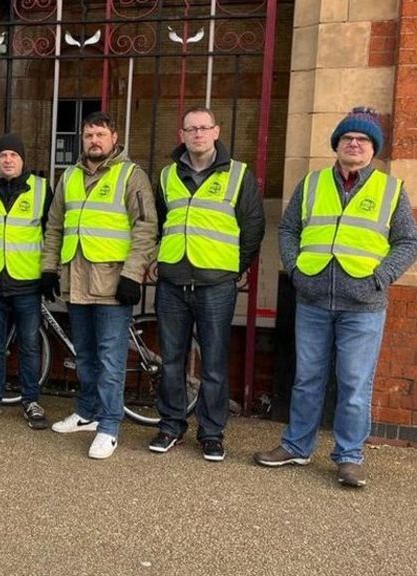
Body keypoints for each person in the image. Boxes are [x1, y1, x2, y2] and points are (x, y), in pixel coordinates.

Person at [254, 107, 417, 488]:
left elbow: (409, 242)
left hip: (363, 305)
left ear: (372, 149)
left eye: (362, 140)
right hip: (312, 298)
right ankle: (296, 445)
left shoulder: (390, 189)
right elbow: (290, 229)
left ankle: (349, 457)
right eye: (348, 139)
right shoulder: (312, 184)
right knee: (307, 379)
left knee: (354, 383)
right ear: (337, 145)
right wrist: (295, 269)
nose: (355, 144)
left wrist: (381, 277)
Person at [148, 107, 265, 462]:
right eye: (190, 129)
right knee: (171, 360)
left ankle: (212, 433)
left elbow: (253, 227)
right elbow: (158, 221)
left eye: (204, 128)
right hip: (172, 281)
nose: (197, 134)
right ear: (181, 135)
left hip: (216, 284)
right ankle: (171, 424)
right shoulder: (168, 175)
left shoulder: (238, 175)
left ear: (216, 131)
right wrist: (159, 257)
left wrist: (234, 268)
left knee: (214, 361)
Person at [42, 112, 158, 459]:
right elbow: (55, 227)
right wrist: (50, 269)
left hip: (112, 282)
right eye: (88, 134)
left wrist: (133, 274)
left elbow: (145, 227)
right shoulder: (70, 177)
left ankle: (109, 426)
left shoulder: (131, 175)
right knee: (86, 355)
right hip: (76, 281)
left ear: (114, 137)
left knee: (110, 358)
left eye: (100, 134)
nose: (94, 140)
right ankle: (87, 412)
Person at [0, 133, 53, 430]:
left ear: (22, 159)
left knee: (29, 345)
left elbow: (50, 233)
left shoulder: (41, 189)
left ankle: (31, 400)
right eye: (3, 155)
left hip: (27, 281)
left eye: (13, 155)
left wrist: (48, 271)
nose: (7, 160)